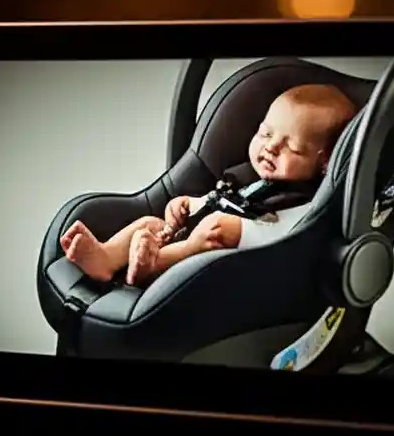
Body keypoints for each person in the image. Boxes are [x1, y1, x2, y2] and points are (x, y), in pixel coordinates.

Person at [59, 83, 358, 286]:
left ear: (325, 162)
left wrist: (230, 231)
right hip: (193, 237)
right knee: (151, 223)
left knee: (209, 234)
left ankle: (153, 265)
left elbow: (286, 235)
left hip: (228, 264)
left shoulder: (304, 201)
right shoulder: (247, 176)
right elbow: (219, 198)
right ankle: (107, 257)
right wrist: (189, 205)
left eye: (292, 147)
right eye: (266, 134)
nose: (270, 148)